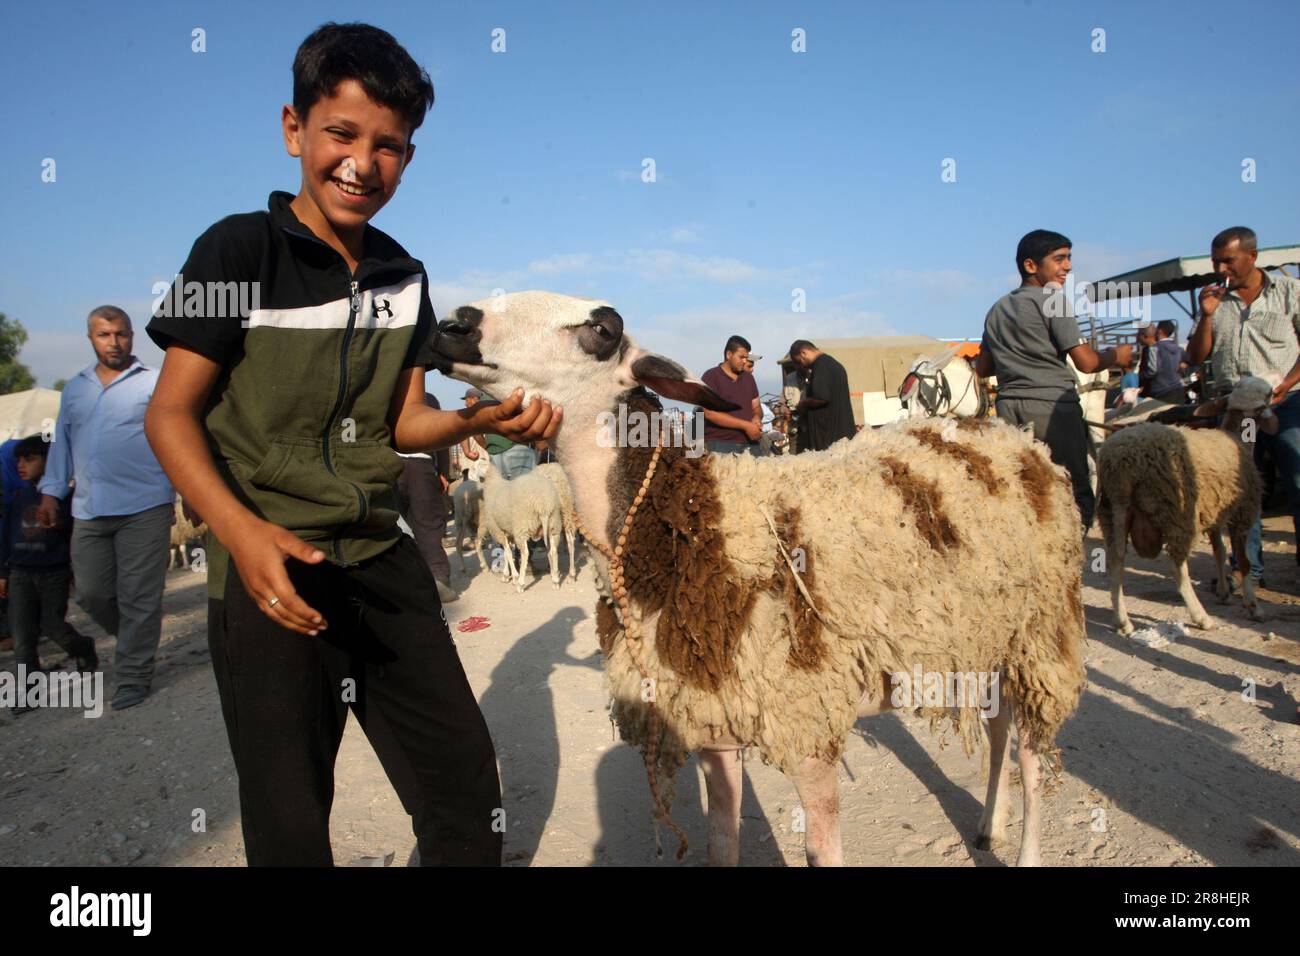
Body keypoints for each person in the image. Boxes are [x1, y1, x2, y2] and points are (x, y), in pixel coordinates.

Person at [143, 22, 560, 866]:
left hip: (379, 559)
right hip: (270, 571)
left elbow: (406, 424)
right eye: (341, 133)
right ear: (295, 129)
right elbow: (170, 414)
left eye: (391, 146)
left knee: (466, 796)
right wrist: (241, 532)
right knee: (291, 824)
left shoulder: (404, 276)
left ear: (409, 156)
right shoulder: (238, 251)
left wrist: (477, 421)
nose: (362, 163)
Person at [37, 306, 175, 711]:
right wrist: (50, 493)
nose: (113, 342)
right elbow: (61, 444)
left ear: (132, 336)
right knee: (92, 594)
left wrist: (189, 491)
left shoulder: (154, 383)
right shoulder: (75, 389)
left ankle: (132, 675)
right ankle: (138, 638)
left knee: (138, 597)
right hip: (89, 509)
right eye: (104, 335)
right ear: (91, 338)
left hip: (146, 504)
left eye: (121, 334)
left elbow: (175, 438)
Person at [975, 230, 1132, 530]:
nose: (1068, 267)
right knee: (1072, 491)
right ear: (1031, 266)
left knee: (1026, 490)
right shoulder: (1053, 302)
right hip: (1052, 410)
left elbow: (983, 368)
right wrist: (1116, 355)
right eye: (1059, 259)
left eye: (1069, 258)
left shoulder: (996, 310)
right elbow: (1086, 363)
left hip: (1009, 412)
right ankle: (1070, 561)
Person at [1186, 225, 1300, 581]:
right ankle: (1246, 570)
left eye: (1228, 261)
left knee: (1298, 477)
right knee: (1240, 487)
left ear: (1252, 256)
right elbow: (1195, 356)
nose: (1221, 270)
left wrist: (1287, 383)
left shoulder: (1289, 292)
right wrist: (1206, 315)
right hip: (1235, 408)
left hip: (1285, 402)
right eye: (1216, 262)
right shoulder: (1214, 302)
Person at [1, 434, 98, 677]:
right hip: (20, 573)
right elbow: (8, 537)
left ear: (49, 461)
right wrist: (3, 573)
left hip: (53, 572)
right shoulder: (18, 498)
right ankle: (28, 689)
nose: (20, 465)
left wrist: (57, 524)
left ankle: (83, 647)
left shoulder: (65, 497)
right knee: (22, 635)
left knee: (54, 627)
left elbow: (75, 533)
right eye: (19, 460)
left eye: (29, 459)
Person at [397, 392, 456, 603]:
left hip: (390, 465)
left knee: (398, 525)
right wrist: (443, 472)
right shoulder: (427, 399)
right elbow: (441, 435)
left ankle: (407, 581)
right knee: (428, 524)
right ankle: (438, 578)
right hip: (421, 465)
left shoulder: (386, 392)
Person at [787, 340, 856, 451]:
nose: (799, 366)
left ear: (803, 353)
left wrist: (803, 404)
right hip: (839, 435)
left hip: (830, 438)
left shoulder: (821, 366)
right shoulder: (830, 364)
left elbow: (821, 398)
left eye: (798, 361)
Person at [699, 335, 762, 455]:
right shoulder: (711, 377)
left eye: (746, 357)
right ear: (729, 355)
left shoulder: (749, 378)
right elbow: (709, 413)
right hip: (722, 444)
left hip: (751, 444)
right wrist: (746, 426)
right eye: (741, 357)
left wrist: (757, 418)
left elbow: (756, 407)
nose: (745, 361)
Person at [1139, 320, 1190, 404]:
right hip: (1178, 389)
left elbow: (1153, 370)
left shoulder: (1154, 348)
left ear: (1159, 331)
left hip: (1161, 391)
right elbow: (1190, 362)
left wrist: (1139, 377)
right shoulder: (1178, 348)